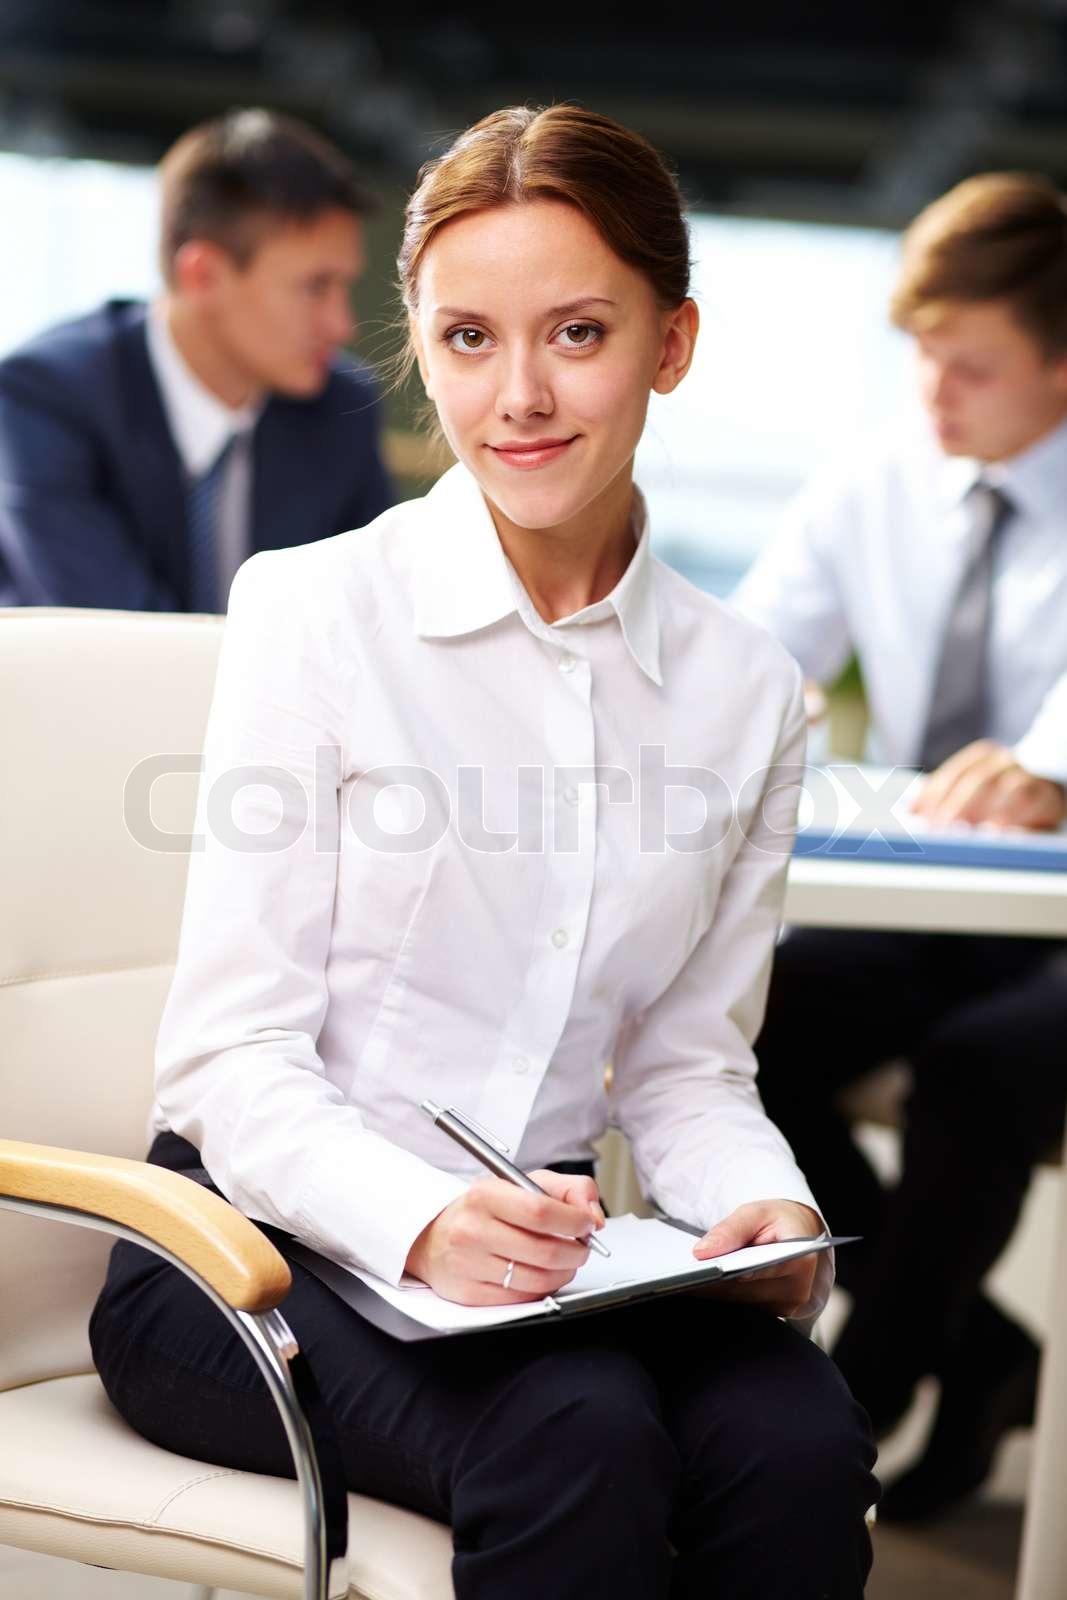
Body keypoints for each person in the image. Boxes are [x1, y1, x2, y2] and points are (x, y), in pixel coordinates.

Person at [89, 105, 876, 1599]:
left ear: (670, 344)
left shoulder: (745, 689)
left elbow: (683, 1067)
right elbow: (228, 1055)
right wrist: (421, 1220)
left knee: (795, 1437)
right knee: (577, 1433)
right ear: (420, 347)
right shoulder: (315, 614)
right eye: (466, 339)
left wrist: (767, 1211)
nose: (516, 397)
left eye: (576, 333)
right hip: (250, 1245)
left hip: (544, 1263)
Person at [733, 171, 1067, 1522]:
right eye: (920, 353)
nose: (932, 392)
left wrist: (1050, 766)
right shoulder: (877, 477)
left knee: (980, 1070)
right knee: (732, 1025)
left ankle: (841, 1427)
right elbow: (750, 658)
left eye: (968, 366)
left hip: (1050, 942)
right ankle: (970, 1350)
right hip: (936, 909)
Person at [0, 107, 391, 612]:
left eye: (344, 286)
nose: (342, 325)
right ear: (203, 276)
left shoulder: (344, 407)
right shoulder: (45, 397)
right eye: (316, 287)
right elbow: (114, 635)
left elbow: (368, 620)